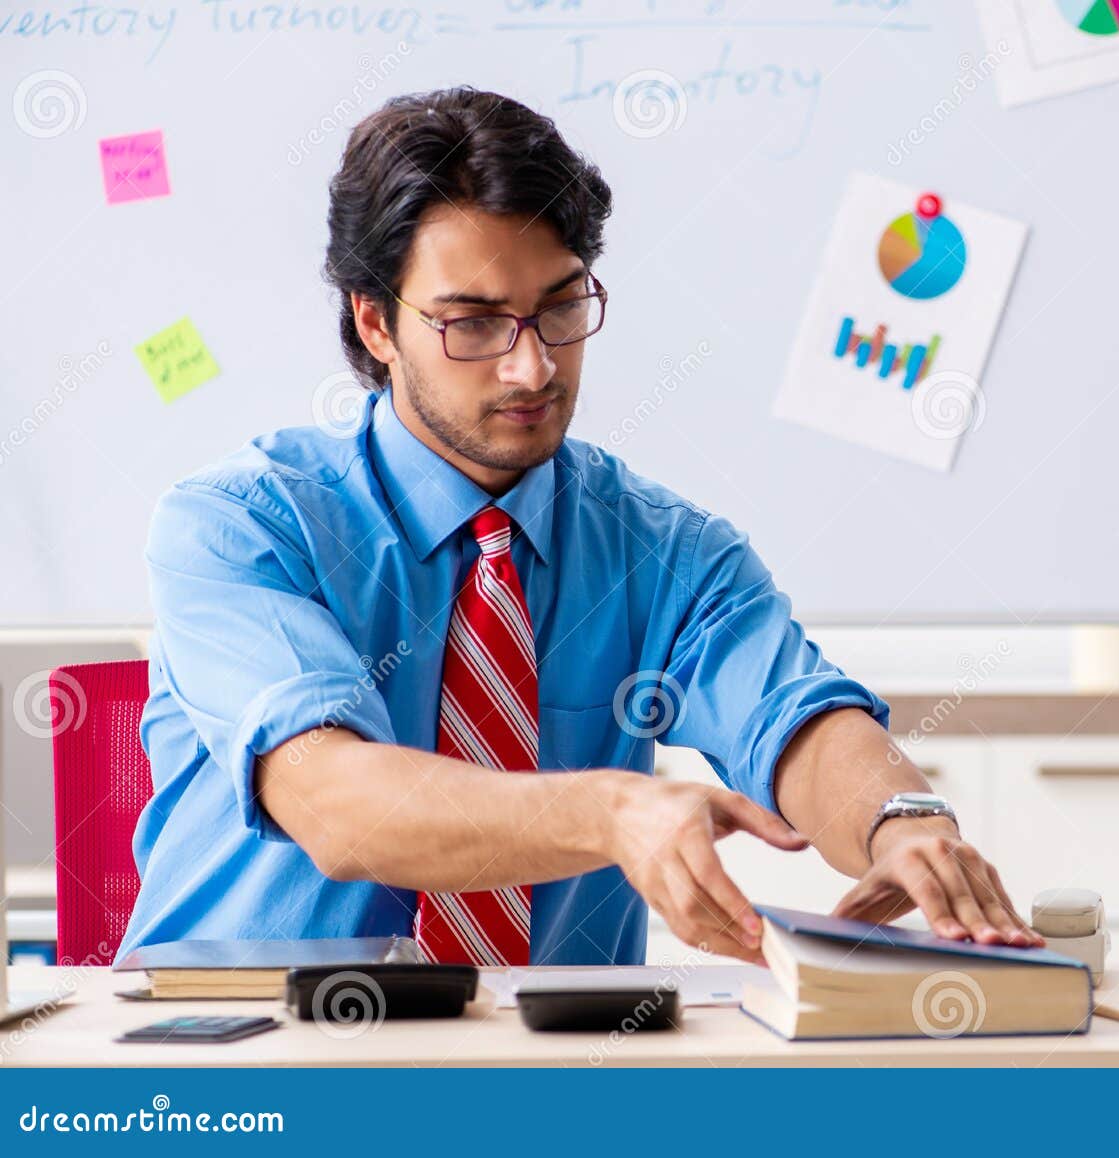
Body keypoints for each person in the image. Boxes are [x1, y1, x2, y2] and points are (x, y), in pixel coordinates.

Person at [119, 87, 1042, 967]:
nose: (531, 368)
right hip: (240, 1049)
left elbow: (793, 718)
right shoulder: (240, 527)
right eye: (472, 323)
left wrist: (902, 820)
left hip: (544, 1059)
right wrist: (608, 811)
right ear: (375, 323)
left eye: (561, 306)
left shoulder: (664, 550)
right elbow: (338, 806)